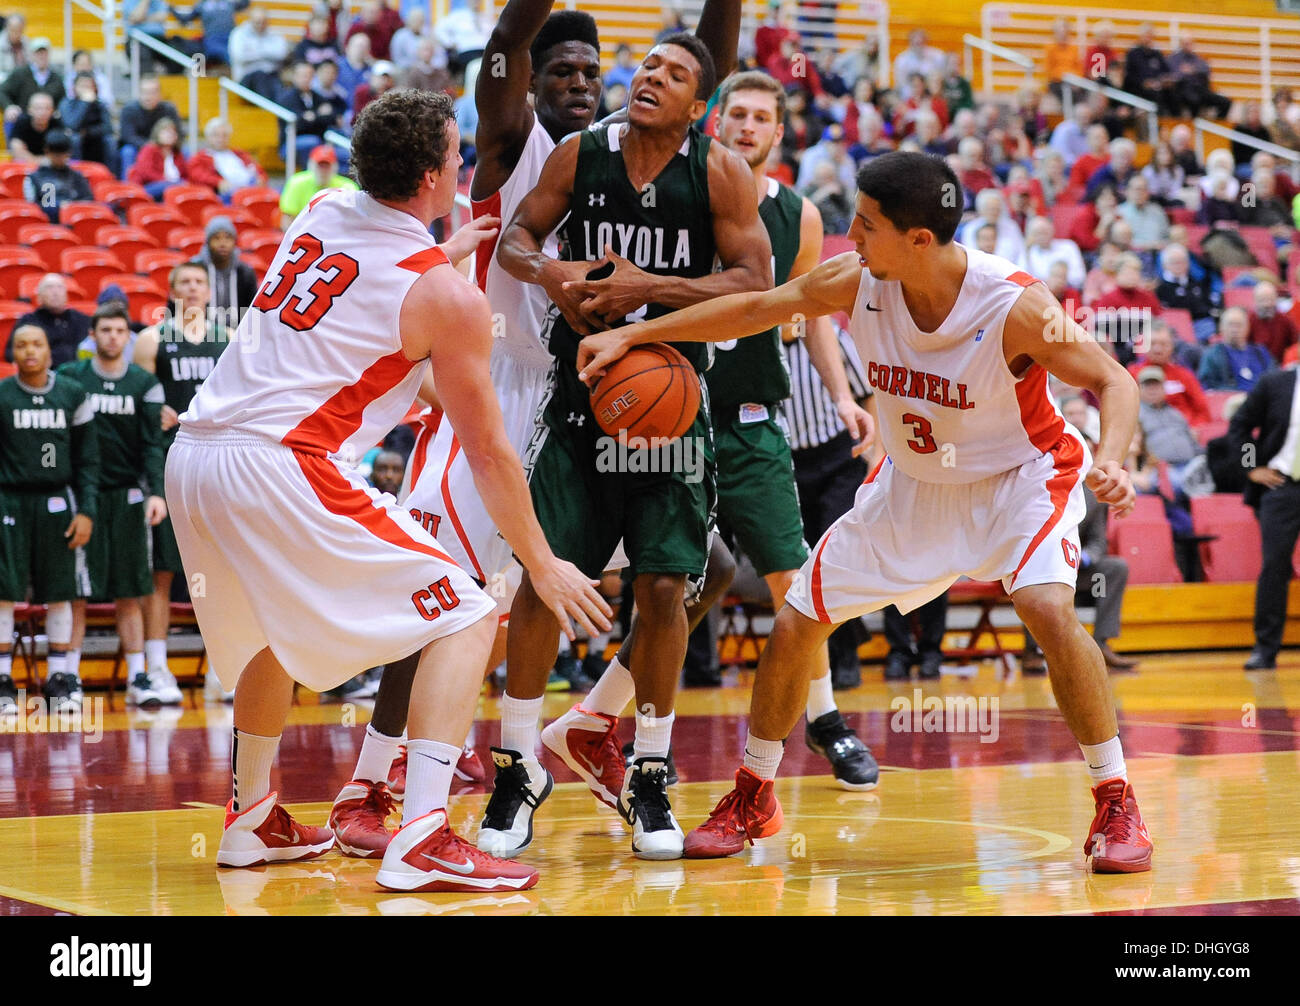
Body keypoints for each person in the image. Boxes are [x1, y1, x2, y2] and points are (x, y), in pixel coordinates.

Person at [577, 150, 1153, 873]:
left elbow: (1114, 380)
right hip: (913, 484)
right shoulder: (858, 280)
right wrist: (633, 333)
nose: (851, 234)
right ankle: (753, 792)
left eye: (867, 224)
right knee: (797, 620)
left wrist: (1114, 459)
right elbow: (759, 308)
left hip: (1022, 477)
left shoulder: (1015, 304)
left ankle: (1116, 799)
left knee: (1043, 606)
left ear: (920, 239)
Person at [324, 0, 743, 861]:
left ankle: (591, 726)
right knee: (434, 596)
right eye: (563, 73)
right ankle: (372, 781)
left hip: (591, 388)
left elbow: (711, 67)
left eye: (593, 73)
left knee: (707, 571)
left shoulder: (633, 149)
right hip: (489, 390)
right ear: (531, 84)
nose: (581, 86)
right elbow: (508, 42)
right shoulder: (516, 143)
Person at [170, 88, 606, 891]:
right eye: (457, 154)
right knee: (467, 614)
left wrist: (440, 252)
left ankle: (251, 818)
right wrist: (543, 562)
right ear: (441, 172)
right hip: (283, 463)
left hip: (197, 450)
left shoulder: (323, 210)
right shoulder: (446, 297)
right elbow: (489, 452)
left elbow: (362, 306)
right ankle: (426, 834)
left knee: (266, 632)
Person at [549, 70, 880, 798]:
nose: (749, 127)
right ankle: (598, 717)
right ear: (715, 121)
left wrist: (843, 395)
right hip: (668, 413)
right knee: (689, 579)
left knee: (794, 575)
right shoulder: (681, 191)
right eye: (739, 114)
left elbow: (816, 314)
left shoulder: (800, 215)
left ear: (779, 132)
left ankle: (824, 722)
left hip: (752, 421)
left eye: (764, 117)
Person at [487, 31, 769, 862]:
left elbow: (755, 285)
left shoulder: (719, 171)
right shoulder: (581, 153)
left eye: (675, 73)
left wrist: (652, 288)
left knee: (662, 587)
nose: (652, 76)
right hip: (582, 400)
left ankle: (648, 769)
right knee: (548, 577)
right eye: (648, 64)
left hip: (671, 407)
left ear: (697, 105)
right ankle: (516, 765)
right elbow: (515, 239)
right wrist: (554, 276)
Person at [58, 305, 168, 713]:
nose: (112, 337)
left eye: (120, 331)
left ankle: (139, 678)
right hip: (82, 497)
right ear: (92, 334)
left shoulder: (143, 383)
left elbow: (153, 446)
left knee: (131, 590)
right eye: (105, 330)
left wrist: (157, 492)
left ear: (128, 337)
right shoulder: (71, 379)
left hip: (127, 496)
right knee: (77, 592)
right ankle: (69, 677)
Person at [132, 263, 232, 706]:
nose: (191, 289)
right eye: (183, 283)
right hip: (169, 461)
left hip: (215, 464)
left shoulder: (227, 339)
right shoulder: (153, 339)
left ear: (209, 291)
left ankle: (222, 669)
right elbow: (140, 401)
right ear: (171, 292)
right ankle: (157, 668)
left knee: (221, 569)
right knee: (163, 569)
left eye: (198, 282)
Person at [0, 325, 98, 719]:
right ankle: (4, 682)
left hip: (59, 500)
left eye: (36, 343)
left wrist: (87, 510)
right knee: (3, 592)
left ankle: (60, 681)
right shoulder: (3, 395)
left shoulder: (72, 394)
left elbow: (89, 460)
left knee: (60, 590)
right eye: (21, 344)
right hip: (9, 500)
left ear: (49, 351)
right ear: (12, 351)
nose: (29, 351)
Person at [1228, 364, 1300, 670]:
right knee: (1274, 566)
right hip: (1282, 485)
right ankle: (1265, 648)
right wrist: (1251, 467)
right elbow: (1240, 425)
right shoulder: (1275, 383)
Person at [1127, 319, 1210, 425]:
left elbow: (1202, 412)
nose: (1158, 350)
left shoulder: (1184, 375)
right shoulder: (1132, 373)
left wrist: (1194, 429)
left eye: (1163, 344)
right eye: (1152, 344)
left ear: (1172, 346)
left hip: (1183, 431)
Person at [1137, 366, 1204, 497]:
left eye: (1156, 385)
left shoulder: (1175, 413)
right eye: (1148, 386)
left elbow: (1193, 442)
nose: (1152, 390)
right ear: (1139, 389)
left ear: (1163, 388)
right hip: (1159, 469)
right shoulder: (1135, 414)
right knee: (1176, 483)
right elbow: (1131, 449)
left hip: (1190, 464)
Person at [6, 274, 91, 366]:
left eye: (60, 287)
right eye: (49, 288)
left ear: (66, 296)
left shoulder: (82, 319)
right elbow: (11, 352)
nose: (55, 292)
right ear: (39, 297)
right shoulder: (28, 321)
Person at [279, 59, 345, 169]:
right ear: (295, 77)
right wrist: (319, 115)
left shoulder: (317, 96)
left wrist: (312, 117)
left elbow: (333, 118)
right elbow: (299, 125)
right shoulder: (287, 98)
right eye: (303, 75)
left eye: (310, 75)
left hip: (321, 141)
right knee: (313, 142)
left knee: (345, 153)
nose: (307, 79)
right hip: (291, 143)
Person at [197, 216, 260, 324]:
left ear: (234, 242)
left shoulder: (245, 273)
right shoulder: (196, 270)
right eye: (216, 238)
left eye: (228, 238)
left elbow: (253, 313)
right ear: (207, 242)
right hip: (201, 335)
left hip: (237, 335)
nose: (222, 243)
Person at [279, 143, 357, 226]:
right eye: (320, 165)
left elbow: (352, 220)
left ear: (335, 167)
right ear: (311, 165)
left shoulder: (348, 187)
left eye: (327, 166)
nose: (323, 171)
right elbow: (287, 220)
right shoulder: (296, 182)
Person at [1199, 307, 1275, 392]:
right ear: (1221, 328)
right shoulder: (1212, 356)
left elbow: (1275, 379)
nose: (1235, 330)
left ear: (1247, 328)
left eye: (1239, 325)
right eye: (1230, 325)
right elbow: (1207, 386)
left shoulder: (1261, 352)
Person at [188, 116, 267, 196]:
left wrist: (261, 177)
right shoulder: (199, 158)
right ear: (208, 137)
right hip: (223, 194)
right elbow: (198, 176)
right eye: (216, 135)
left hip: (250, 187)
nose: (220, 139)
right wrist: (218, 182)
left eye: (224, 135)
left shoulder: (240, 154)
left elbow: (258, 170)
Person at [118, 77, 181, 175]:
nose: (148, 96)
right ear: (139, 93)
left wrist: (164, 145)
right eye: (145, 92)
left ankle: (184, 186)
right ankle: (128, 186)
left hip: (164, 146)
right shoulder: (128, 109)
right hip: (138, 147)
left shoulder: (169, 109)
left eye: (152, 92)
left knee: (184, 152)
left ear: (160, 94)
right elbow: (128, 137)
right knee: (127, 152)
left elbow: (178, 132)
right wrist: (152, 147)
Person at [1, 37, 64, 126]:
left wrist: (58, 111)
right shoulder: (20, 73)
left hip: (48, 123)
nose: (41, 56)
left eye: (44, 52)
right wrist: (8, 106)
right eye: (38, 53)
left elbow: (63, 99)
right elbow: (2, 91)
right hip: (22, 121)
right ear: (31, 55)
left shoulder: (56, 77)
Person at [229, 7, 289, 99]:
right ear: (250, 20)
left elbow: (281, 54)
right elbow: (239, 56)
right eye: (257, 22)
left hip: (271, 76)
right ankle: (271, 108)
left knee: (277, 85)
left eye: (263, 22)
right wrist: (268, 54)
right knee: (259, 75)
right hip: (246, 80)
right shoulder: (239, 34)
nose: (261, 25)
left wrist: (254, 52)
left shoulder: (274, 34)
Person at [1167, 35, 1231, 119]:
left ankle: (1215, 127)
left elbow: (1206, 70)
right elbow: (1172, 76)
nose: (1189, 46)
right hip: (1183, 91)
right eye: (1186, 43)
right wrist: (1184, 73)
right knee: (1193, 100)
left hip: (1201, 91)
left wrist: (1193, 70)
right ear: (1181, 44)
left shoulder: (1197, 59)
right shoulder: (1173, 59)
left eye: (1190, 43)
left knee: (1225, 102)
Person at [169, 0, 250, 66]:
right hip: (212, 39)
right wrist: (171, 9)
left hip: (230, 37)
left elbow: (245, 3)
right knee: (227, 53)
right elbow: (185, 19)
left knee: (237, 51)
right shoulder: (202, 5)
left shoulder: (228, 3)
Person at [58, 72, 114, 167]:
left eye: (89, 86)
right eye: (82, 86)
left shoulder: (100, 105)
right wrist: (84, 103)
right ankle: (75, 172)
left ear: (95, 88)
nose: (85, 89)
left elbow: (108, 128)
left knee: (109, 141)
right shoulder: (67, 103)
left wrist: (87, 132)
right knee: (75, 139)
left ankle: (111, 176)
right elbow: (72, 125)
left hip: (95, 140)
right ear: (74, 87)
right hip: (76, 140)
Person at [127, 117, 190, 199]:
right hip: (149, 187)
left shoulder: (178, 153)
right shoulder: (149, 149)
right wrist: (167, 181)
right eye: (166, 132)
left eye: (173, 132)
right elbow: (146, 172)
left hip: (174, 187)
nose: (169, 135)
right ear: (158, 134)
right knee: (176, 186)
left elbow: (185, 174)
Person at [1020, 216, 1086, 289]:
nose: (1042, 236)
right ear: (1031, 235)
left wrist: (1058, 282)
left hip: (1067, 292)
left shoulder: (1069, 246)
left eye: (1045, 231)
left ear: (1052, 229)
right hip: (1041, 295)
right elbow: (1022, 281)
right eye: (1038, 233)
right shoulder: (1028, 252)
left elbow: (1079, 277)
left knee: (1071, 300)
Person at [1122, 23, 1173, 116]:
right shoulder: (1133, 53)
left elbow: (1166, 71)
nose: (1149, 38)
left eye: (1151, 36)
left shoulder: (1157, 53)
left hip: (1157, 86)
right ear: (1140, 36)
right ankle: (1158, 121)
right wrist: (1143, 83)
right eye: (1147, 35)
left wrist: (1165, 80)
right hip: (1138, 89)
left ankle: (1172, 121)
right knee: (1155, 95)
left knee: (1172, 93)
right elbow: (1129, 76)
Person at [1250, 280, 1297, 365]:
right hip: (1255, 365)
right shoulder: (1249, 320)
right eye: (1262, 300)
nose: (1267, 304)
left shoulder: (1286, 321)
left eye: (1270, 299)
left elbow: (1295, 346)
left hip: (1279, 366)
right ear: (1255, 301)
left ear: (1276, 299)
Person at [7, 91, 60, 161]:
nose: (43, 112)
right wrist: (38, 161)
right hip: (25, 165)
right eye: (38, 108)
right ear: (29, 109)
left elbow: (60, 153)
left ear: (52, 110)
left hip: (49, 167)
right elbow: (16, 149)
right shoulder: (22, 122)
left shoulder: (56, 124)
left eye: (47, 108)